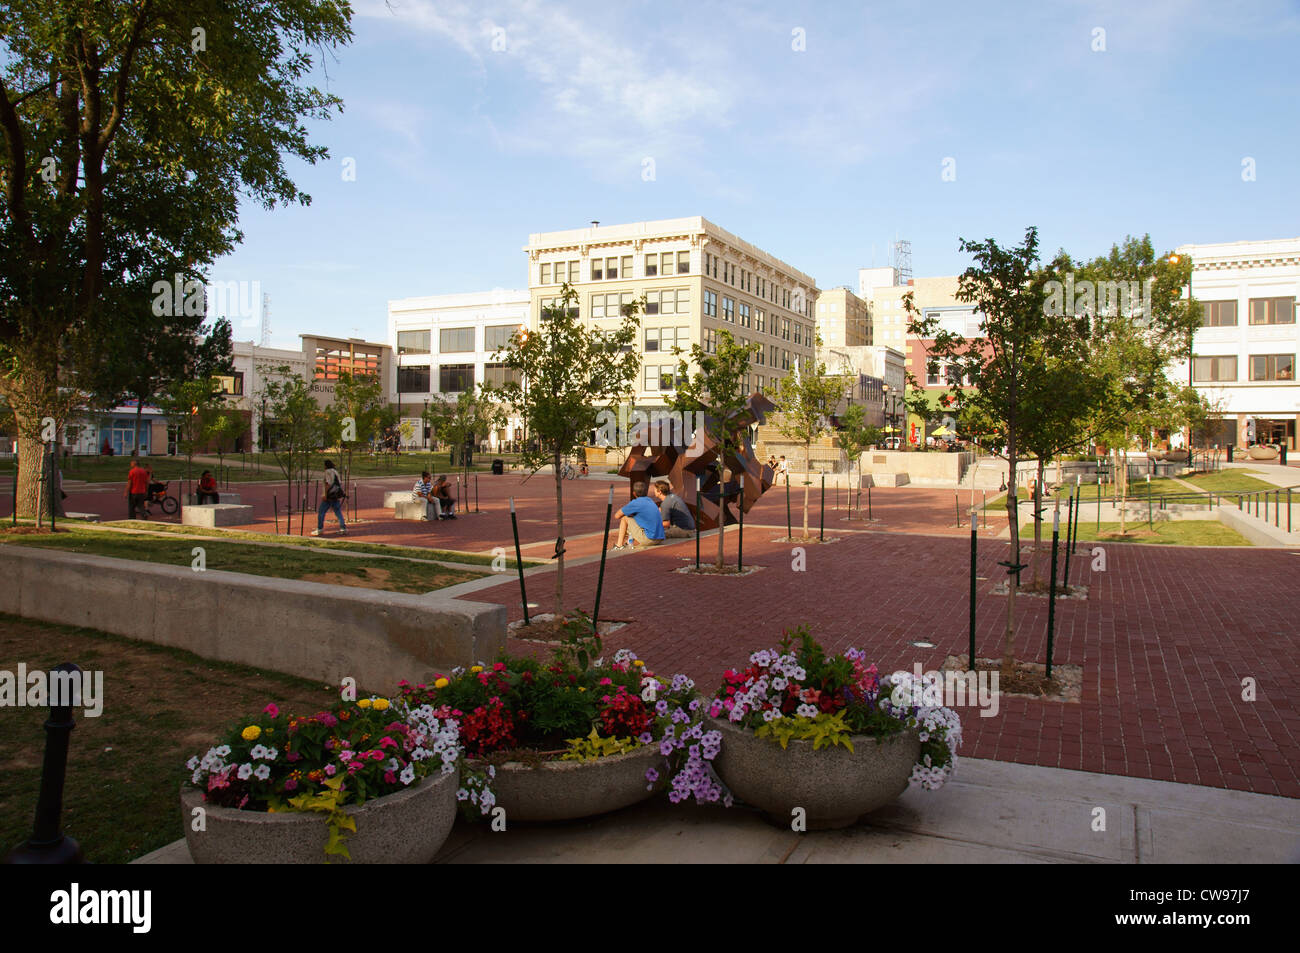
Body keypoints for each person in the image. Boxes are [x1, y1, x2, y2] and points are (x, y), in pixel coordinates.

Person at [611, 481, 665, 550]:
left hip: (649, 539)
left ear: (634, 493)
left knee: (625, 518)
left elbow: (617, 516)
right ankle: (628, 542)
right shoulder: (650, 500)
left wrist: (628, 509)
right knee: (634, 519)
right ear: (646, 492)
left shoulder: (635, 503)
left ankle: (619, 545)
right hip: (660, 538)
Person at [312, 460, 347, 536]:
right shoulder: (335, 471)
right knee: (338, 512)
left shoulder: (327, 472)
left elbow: (328, 484)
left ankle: (320, 528)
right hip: (335, 494)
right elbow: (339, 483)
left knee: (321, 512)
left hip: (329, 495)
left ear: (326, 465)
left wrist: (325, 495)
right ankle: (343, 528)